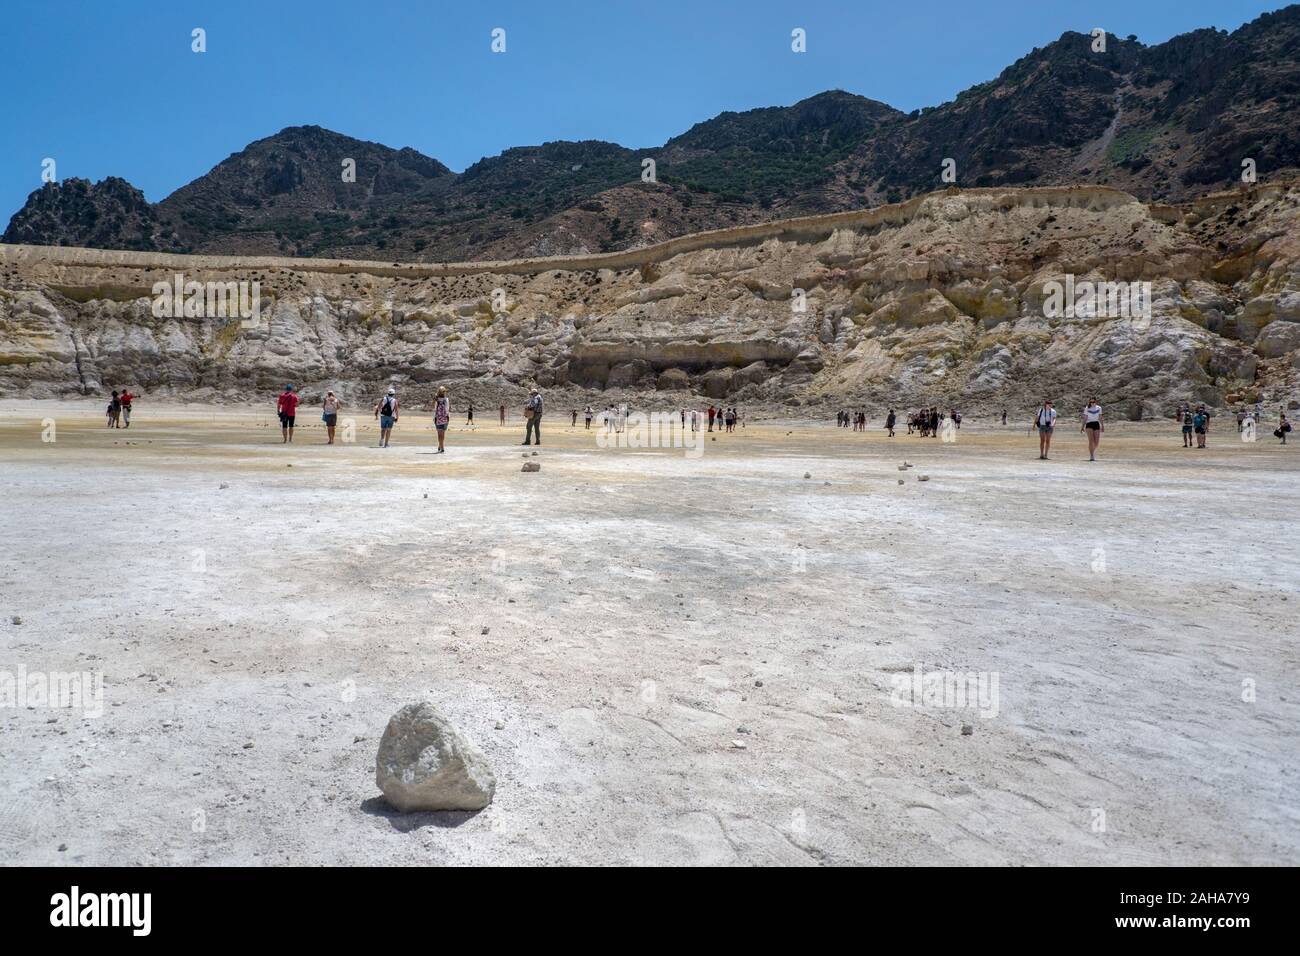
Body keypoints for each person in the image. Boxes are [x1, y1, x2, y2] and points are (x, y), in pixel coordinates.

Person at [433, 386, 450, 453]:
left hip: (437, 418)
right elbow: (447, 409)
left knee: (439, 433)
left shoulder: (436, 399)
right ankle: (441, 447)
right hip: (445, 418)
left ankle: (440, 446)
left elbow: (433, 408)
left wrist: (434, 399)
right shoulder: (446, 399)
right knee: (442, 434)